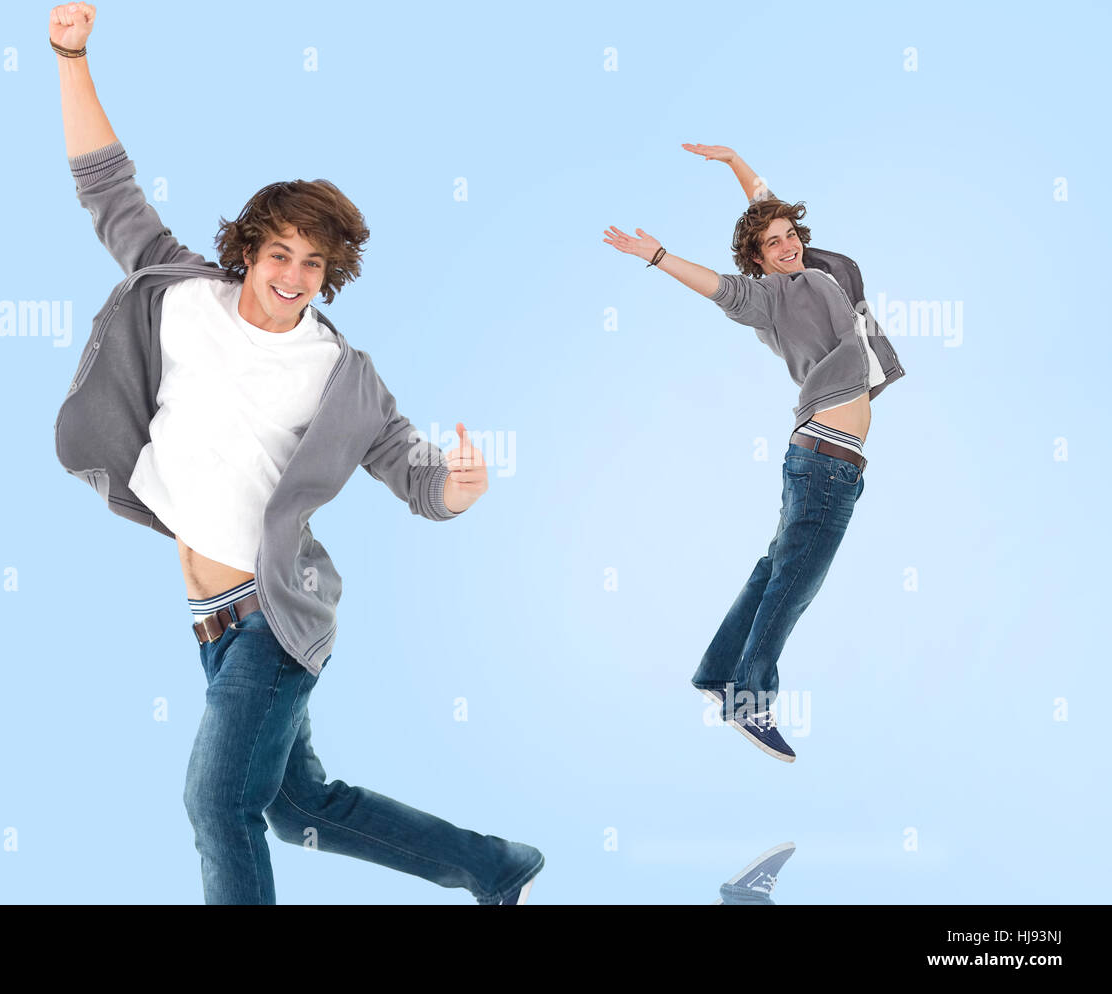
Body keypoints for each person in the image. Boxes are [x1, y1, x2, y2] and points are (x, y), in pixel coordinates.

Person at [49, 2, 543, 904]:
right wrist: (68, 55)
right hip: (212, 620)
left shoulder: (339, 373)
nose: (292, 277)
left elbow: (414, 475)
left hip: (277, 621)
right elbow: (104, 184)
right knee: (296, 804)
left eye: (313, 264)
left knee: (215, 806)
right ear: (247, 251)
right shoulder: (177, 291)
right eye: (279, 252)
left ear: (332, 274)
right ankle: (492, 863)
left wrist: (459, 487)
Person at [602, 142, 906, 763]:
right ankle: (748, 699)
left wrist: (736, 162)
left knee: (777, 568)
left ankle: (719, 671)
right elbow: (719, 288)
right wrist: (657, 256)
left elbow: (767, 204)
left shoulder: (819, 269)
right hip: (825, 459)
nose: (786, 244)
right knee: (796, 579)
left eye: (789, 234)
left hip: (824, 460)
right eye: (772, 243)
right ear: (758, 259)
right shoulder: (771, 296)